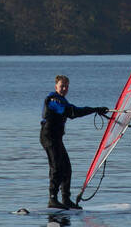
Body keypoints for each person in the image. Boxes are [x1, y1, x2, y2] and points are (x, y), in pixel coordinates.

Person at [40, 74, 108, 209]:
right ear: (56, 87)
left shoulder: (63, 100)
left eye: (66, 86)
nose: (64, 88)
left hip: (56, 138)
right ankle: (52, 199)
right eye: (61, 86)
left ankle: (65, 199)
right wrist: (94, 109)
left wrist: (95, 109)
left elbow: (76, 110)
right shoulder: (53, 100)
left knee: (66, 168)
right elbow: (71, 113)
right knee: (57, 167)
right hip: (48, 137)